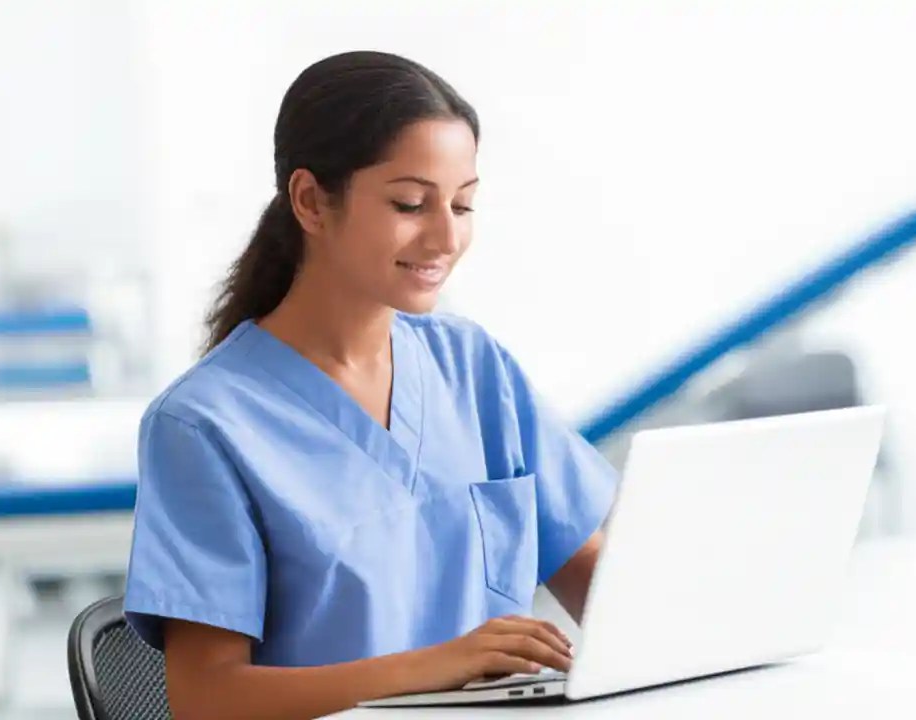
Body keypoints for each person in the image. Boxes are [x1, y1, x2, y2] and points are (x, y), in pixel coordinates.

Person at [123, 50, 618, 719]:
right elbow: (207, 698)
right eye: (411, 203)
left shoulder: (472, 367)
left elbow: (611, 593)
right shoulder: (204, 426)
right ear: (310, 201)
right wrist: (432, 669)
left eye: (464, 205)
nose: (446, 236)